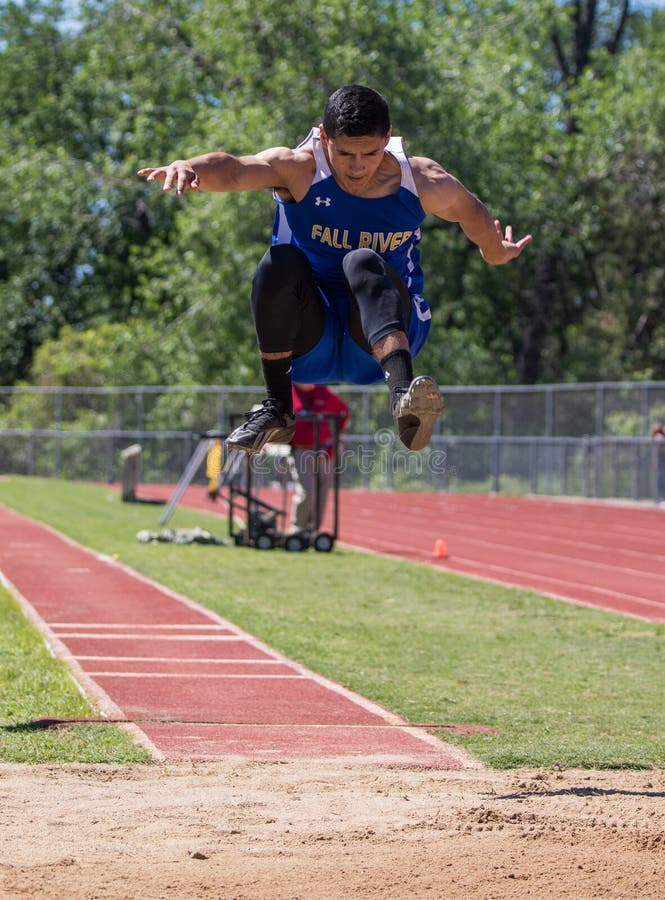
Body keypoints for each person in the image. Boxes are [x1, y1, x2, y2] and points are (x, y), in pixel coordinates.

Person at [138, 85, 531, 455]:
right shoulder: (299, 169)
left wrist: (495, 252)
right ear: (324, 137)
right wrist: (191, 167)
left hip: (384, 336)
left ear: (387, 137)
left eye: (371, 154)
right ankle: (278, 406)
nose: (358, 168)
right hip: (308, 340)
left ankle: (403, 401)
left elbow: (470, 211)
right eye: (345, 155)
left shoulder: (421, 181)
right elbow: (239, 169)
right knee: (279, 262)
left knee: (360, 260)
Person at [288, 383, 350, 535]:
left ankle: (313, 530)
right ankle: (297, 529)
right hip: (301, 450)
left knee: (322, 493)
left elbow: (343, 411)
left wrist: (336, 436)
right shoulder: (288, 392)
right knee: (307, 491)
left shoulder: (324, 393)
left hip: (324, 450)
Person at [651, 422, 665, 505]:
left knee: (662, 481)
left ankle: (663, 499)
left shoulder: (660, 438)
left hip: (662, 464)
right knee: (659, 482)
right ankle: (660, 499)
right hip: (659, 465)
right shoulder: (657, 438)